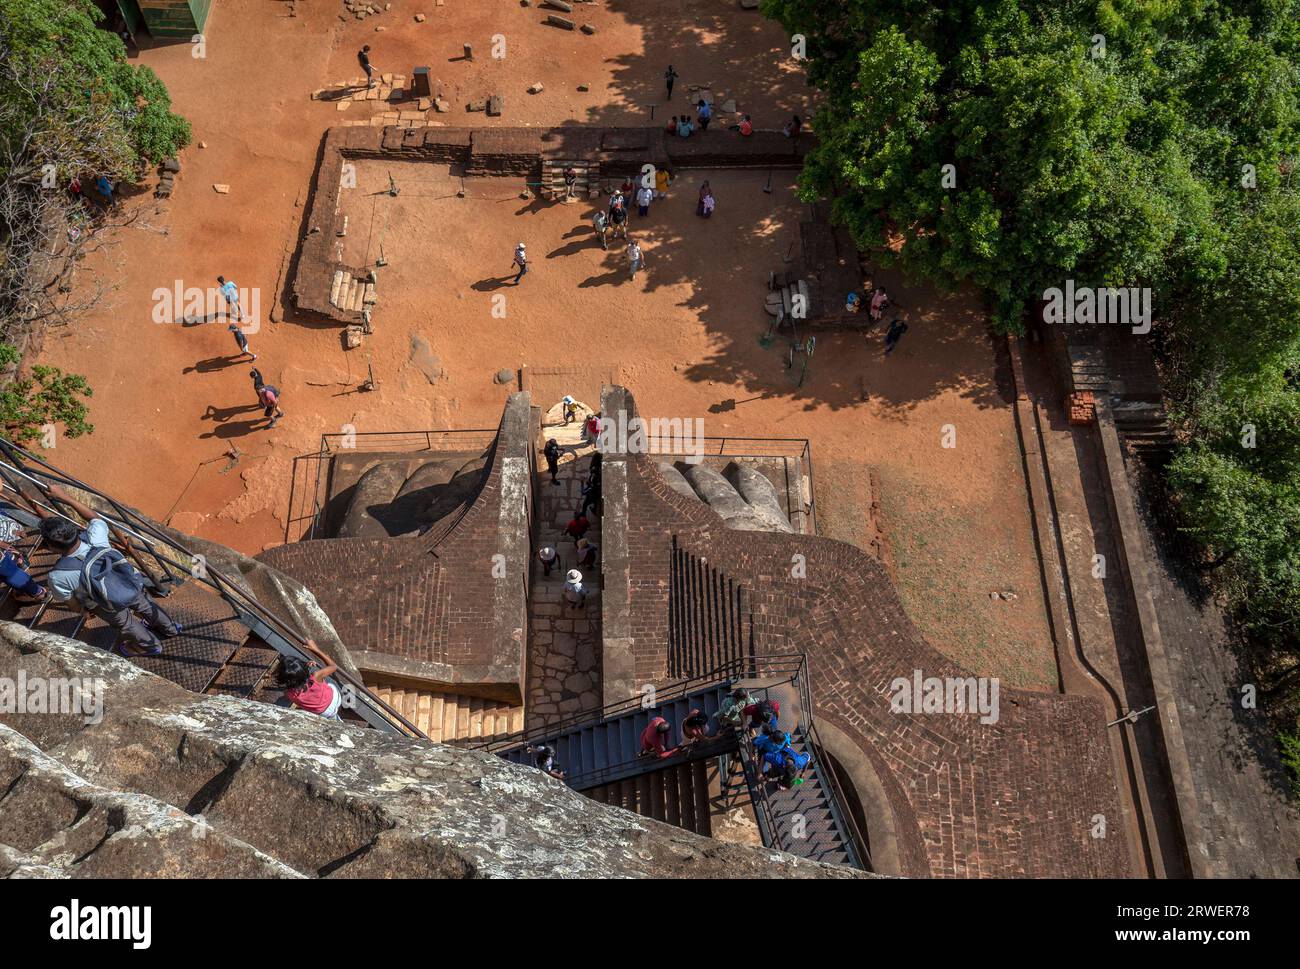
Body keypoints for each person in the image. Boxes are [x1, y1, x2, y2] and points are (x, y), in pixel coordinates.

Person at [39, 487, 181, 657]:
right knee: (145, 605)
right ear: (76, 531)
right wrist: (65, 497)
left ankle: (149, 646)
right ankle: (170, 628)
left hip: (103, 603)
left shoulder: (58, 576)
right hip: (128, 582)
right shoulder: (96, 537)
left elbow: (72, 602)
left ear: (52, 548)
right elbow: (94, 517)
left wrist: (83, 611)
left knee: (127, 624)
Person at [279, 640, 343, 719]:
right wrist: (315, 649)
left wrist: (304, 669)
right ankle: (335, 713)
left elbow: (299, 682)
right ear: (304, 670)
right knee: (329, 684)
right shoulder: (316, 676)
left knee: (331, 715)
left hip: (324, 713)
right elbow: (334, 666)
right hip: (335, 699)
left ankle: (335, 717)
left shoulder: (290, 694)